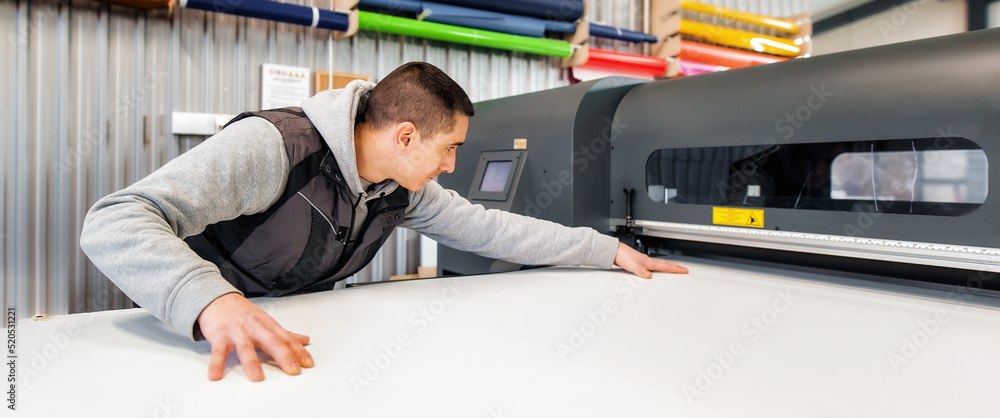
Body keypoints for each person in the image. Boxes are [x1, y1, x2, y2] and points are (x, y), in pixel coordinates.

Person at [80, 62, 688, 382]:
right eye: (449, 148)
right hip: (202, 338)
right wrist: (212, 302)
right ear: (405, 135)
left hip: (291, 335)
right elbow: (115, 220)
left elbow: (495, 230)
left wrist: (604, 251)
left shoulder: (399, 188)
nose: (452, 166)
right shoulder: (275, 148)